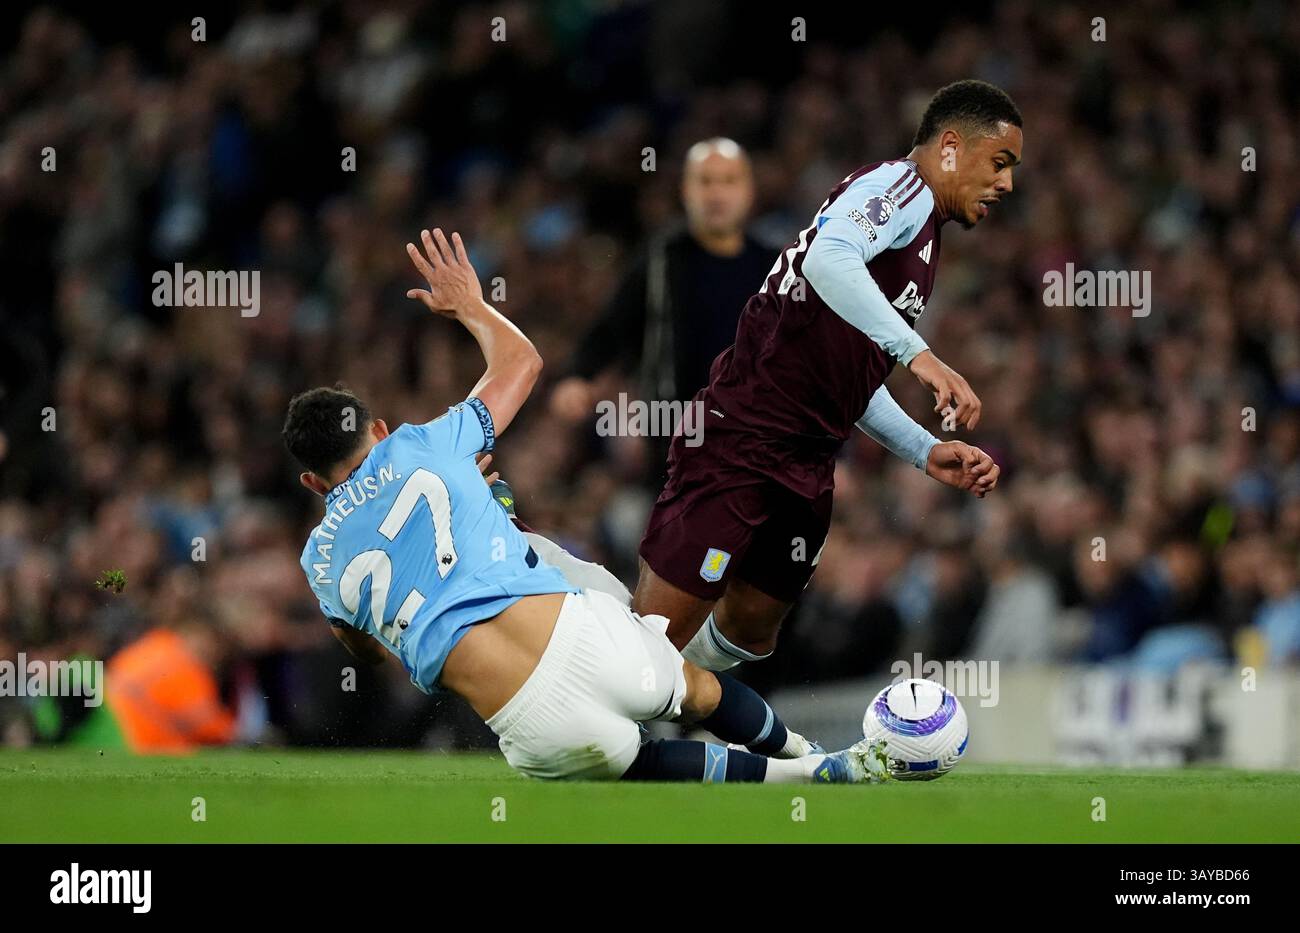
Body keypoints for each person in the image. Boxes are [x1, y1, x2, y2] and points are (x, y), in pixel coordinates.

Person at [285, 227, 890, 784]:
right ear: (380, 429)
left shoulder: (320, 561)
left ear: (313, 483)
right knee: (696, 689)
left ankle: (796, 777)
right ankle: (805, 758)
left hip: (531, 729)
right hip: (586, 642)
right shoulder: (422, 445)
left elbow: (365, 645)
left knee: (640, 762)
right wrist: (469, 305)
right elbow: (521, 363)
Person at [633, 80, 1020, 671]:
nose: (1007, 183)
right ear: (949, 147)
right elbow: (827, 256)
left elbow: (847, 373)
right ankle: (599, 695)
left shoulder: (922, 238)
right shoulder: (902, 188)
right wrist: (922, 356)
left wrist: (924, 449)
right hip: (742, 440)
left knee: (750, 633)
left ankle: (678, 721)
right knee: (653, 639)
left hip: (808, 461)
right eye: (999, 162)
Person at [550, 138, 773, 481]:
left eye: (729, 181)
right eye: (706, 181)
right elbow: (613, 327)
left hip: (757, 442)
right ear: (686, 190)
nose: (717, 194)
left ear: (749, 190)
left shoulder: (773, 268)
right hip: (673, 439)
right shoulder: (661, 260)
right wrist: (579, 376)